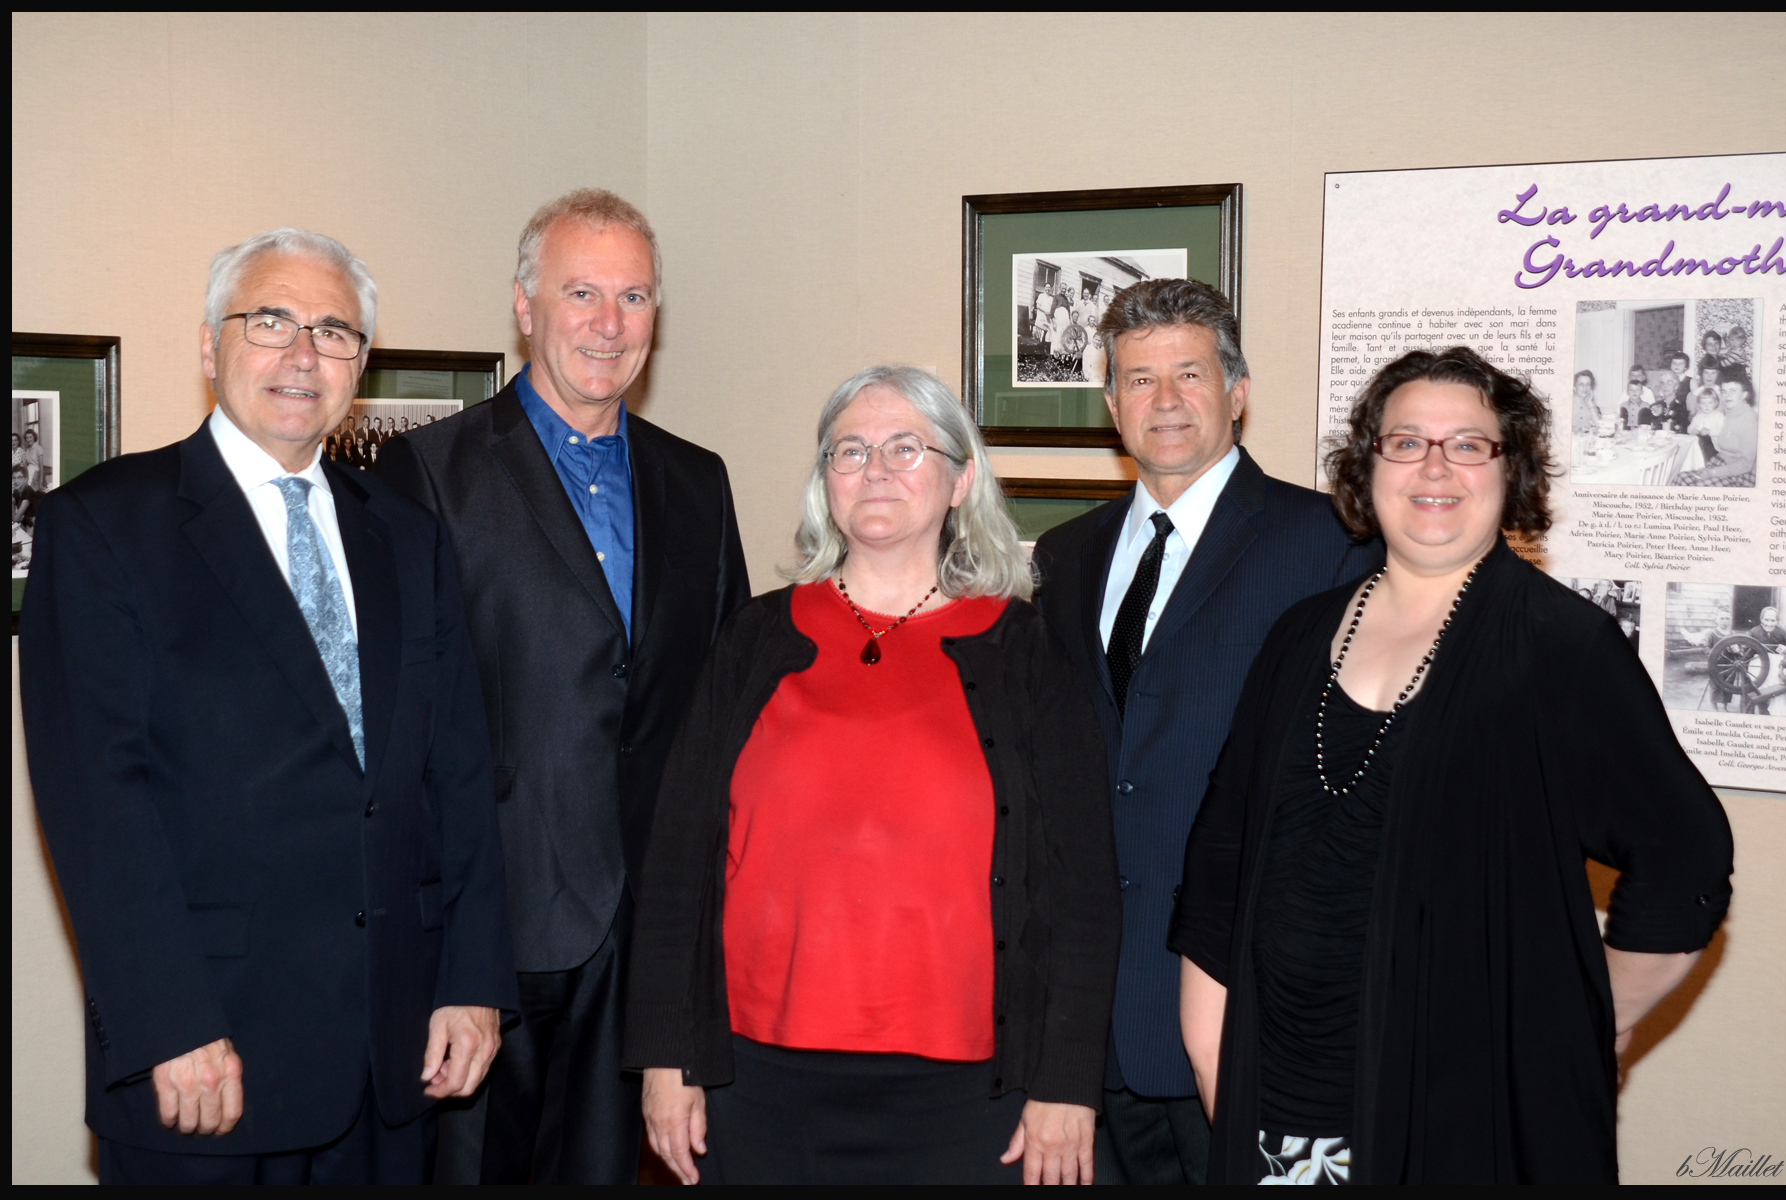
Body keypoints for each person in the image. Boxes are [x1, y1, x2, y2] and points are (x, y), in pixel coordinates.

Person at [17, 228, 517, 1185]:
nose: (302, 354)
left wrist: (473, 982)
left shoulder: (406, 537)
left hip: (395, 1053)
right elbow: (96, 806)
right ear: (211, 346)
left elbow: (456, 771)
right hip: (208, 1060)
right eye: (272, 320)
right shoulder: (104, 525)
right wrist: (170, 1021)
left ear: (359, 366)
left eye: (333, 331)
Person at [1172, 346, 1732, 1183]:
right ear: (1369, 466)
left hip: (1469, 1124)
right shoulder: (1299, 634)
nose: (1435, 467)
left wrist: (1582, 1026)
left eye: (1468, 444)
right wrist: (1215, 1058)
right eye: (1405, 442)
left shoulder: (1560, 647)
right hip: (1276, 1109)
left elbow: (1686, 861)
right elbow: (1222, 855)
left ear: (1512, 473)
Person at [625, 365, 1120, 1185]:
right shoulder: (756, 639)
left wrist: (1067, 1082)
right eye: (848, 451)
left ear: (961, 478)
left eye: (905, 447)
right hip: (753, 1080)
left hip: (972, 1094)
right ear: (826, 482)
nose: (875, 469)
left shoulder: (1025, 650)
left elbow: (1083, 889)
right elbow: (676, 860)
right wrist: (666, 1056)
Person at [377, 188, 751, 1185]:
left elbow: (725, 724)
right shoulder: (428, 473)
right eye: (580, 292)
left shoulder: (698, 483)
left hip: (645, 937)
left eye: (633, 298)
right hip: (485, 940)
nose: (607, 324)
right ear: (523, 304)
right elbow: (395, 730)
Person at [1031, 278, 1382, 1185]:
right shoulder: (1065, 556)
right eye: (1140, 381)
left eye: (1189, 373)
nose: (1167, 400)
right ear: (1112, 405)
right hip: (1084, 1029)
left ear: (1237, 390)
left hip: (1247, 1020)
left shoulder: (1333, 545)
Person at [1673, 365, 1756, 486]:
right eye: (1724, 391)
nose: (1727, 395)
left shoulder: (1749, 420)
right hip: (1721, 463)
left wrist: (1712, 472)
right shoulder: (1730, 413)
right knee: (1680, 478)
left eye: (1733, 390)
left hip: (1740, 475)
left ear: (1744, 394)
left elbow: (1745, 465)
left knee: (1685, 483)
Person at [1571, 369, 1604, 435]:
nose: (1585, 388)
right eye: (1581, 384)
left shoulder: (1590, 403)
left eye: (1588, 384)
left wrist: (1590, 404)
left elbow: (1600, 426)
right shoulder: (1568, 403)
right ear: (1574, 387)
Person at [1666, 352, 1693, 431]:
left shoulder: (1690, 381)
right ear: (1671, 365)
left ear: (1686, 367)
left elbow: (1695, 401)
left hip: (1684, 415)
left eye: (1680, 364)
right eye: (1674, 363)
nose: (1677, 366)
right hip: (1669, 414)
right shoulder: (1667, 380)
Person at [20, 426, 50, 490]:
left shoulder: (38, 448)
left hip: (36, 472)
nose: (29, 439)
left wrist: (41, 482)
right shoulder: (27, 450)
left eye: (30, 437)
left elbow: (41, 467)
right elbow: (26, 464)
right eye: (27, 438)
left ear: (34, 437)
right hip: (28, 471)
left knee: (30, 490)